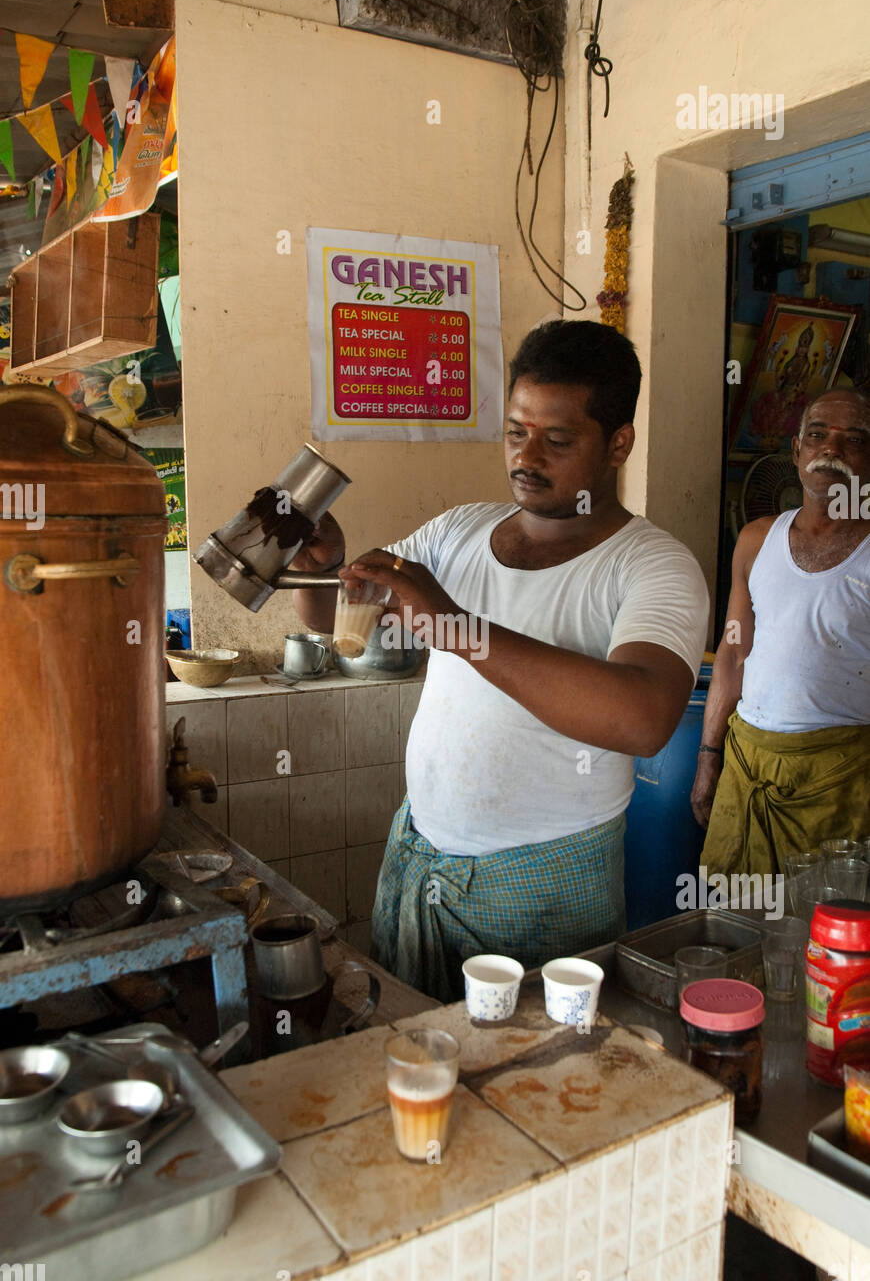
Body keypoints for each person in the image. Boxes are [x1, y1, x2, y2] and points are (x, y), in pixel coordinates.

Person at [292, 319, 709, 1000]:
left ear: (618, 444)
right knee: (414, 1061)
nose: (528, 455)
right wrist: (326, 570)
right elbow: (351, 634)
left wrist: (456, 627)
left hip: (545, 890)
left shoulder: (652, 566)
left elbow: (644, 718)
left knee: (534, 1083)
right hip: (421, 854)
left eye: (558, 438)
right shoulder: (458, 532)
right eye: (516, 431)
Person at [692, 388, 870, 878]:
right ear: (796, 452)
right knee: (731, 919)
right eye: (817, 435)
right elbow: (732, 654)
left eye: (853, 439)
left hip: (839, 777)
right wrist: (709, 756)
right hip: (746, 764)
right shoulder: (755, 540)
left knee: (821, 929)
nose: (831, 449)